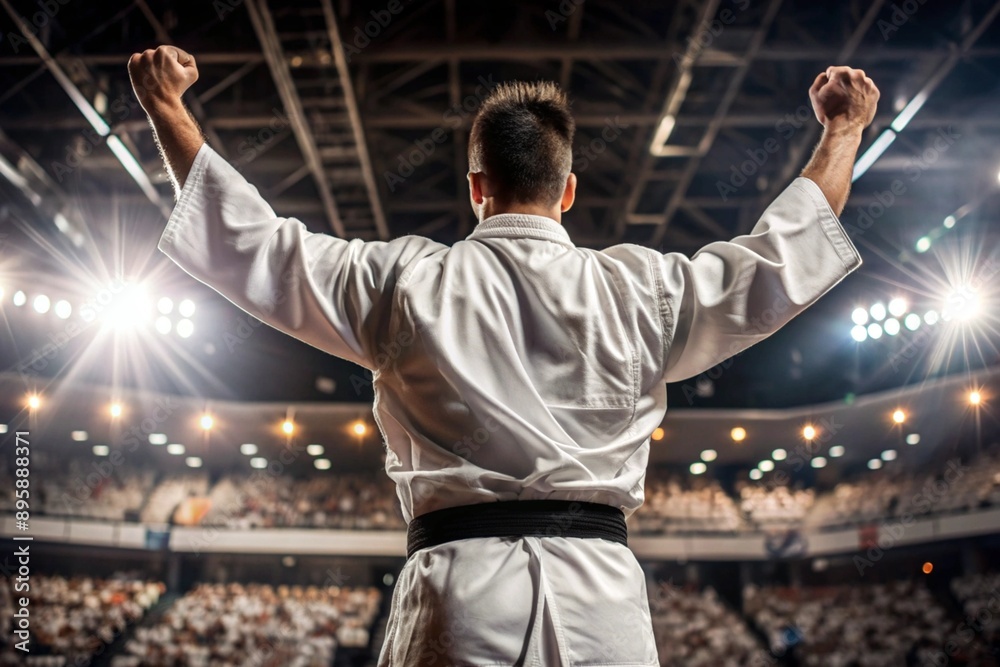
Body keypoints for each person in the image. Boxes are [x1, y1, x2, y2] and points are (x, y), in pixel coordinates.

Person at [128, 44, 877, 665]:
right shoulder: (644, 289)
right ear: (569, 189)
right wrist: (841, 131)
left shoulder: (400, 281)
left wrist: (167, 106)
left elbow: (253, 245)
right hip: (604, 611)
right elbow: (783, 257)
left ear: (476, 186)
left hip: (456, 600)